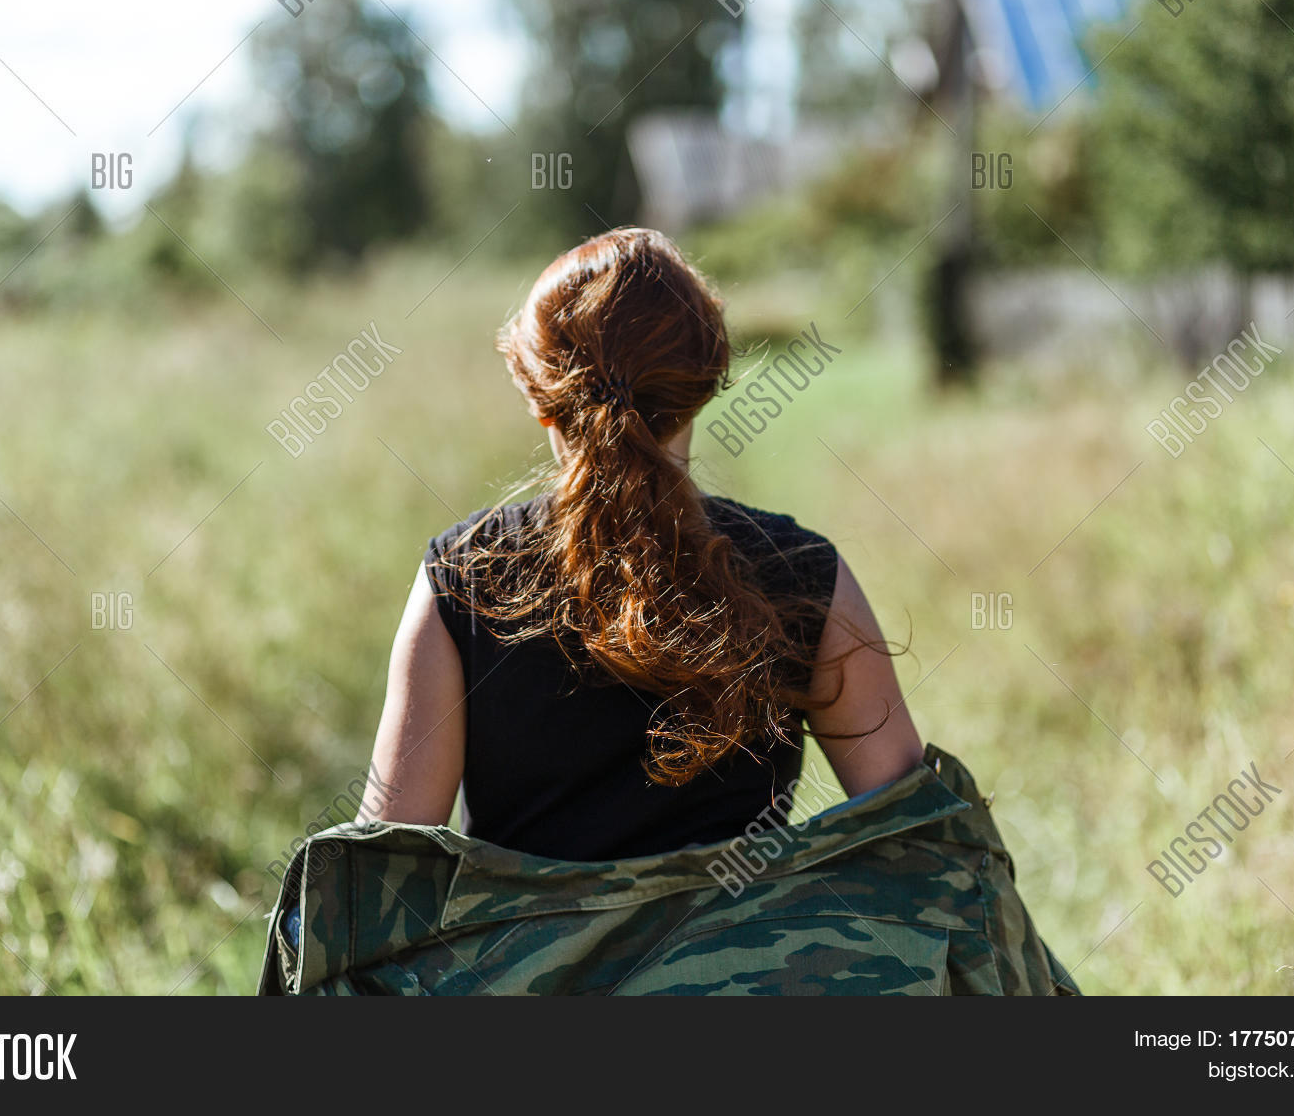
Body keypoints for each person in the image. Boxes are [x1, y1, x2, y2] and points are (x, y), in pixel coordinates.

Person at [360, 227, 923, 862]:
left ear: (541, 400)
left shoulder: (461, 579)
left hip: (526, 964)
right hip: (746, 960)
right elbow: (918, 837)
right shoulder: (805, 572)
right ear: (705, 380)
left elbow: (383, 878)